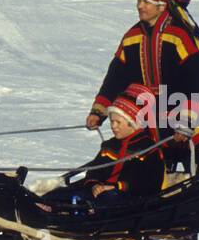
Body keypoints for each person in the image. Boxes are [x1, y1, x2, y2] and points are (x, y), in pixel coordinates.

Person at [86, 0, 199, 240]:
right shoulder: (132, 36)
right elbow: (115, 76)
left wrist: (186, 122)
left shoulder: (180, 36)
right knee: (150, 173)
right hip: (154, 122)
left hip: (194, 118)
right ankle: (150, 226)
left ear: (162, 4)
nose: (139, 6)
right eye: (138, 0)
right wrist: (99, 110)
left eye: (146, 1)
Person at [37, 82, 165, 217]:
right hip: (100, 191)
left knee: (108, 198)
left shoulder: (149, 149)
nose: (113, 126)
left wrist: (118, 186)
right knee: (65, 191)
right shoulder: (110, 146)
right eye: (111, 121)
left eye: (118, 122)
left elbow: (148, 183)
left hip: (129, 197)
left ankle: (80, 212)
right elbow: (95, 169)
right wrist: (94, 184)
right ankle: (45, 204)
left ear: (134, 123)